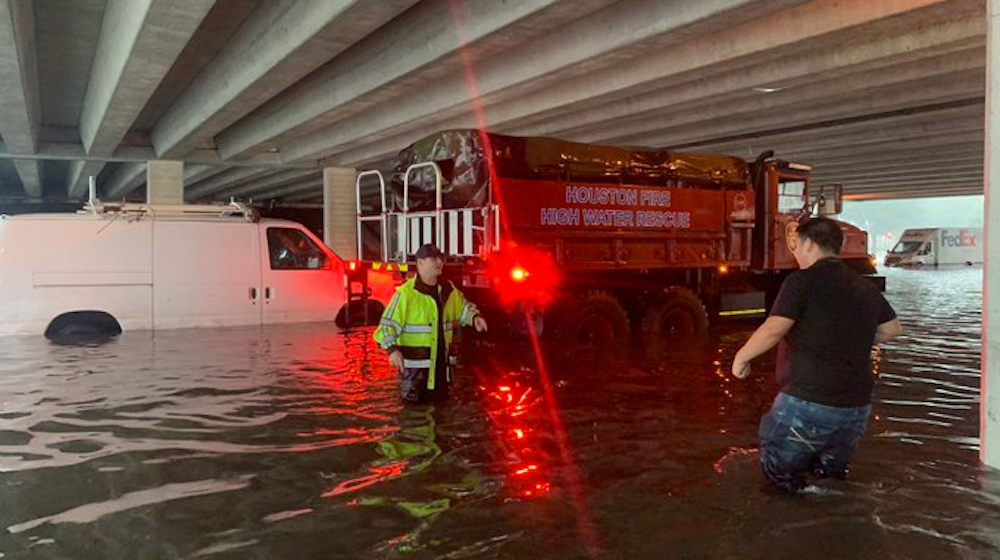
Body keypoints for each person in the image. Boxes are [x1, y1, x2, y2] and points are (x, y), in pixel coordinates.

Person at [731, 217, 902, 492]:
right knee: (830, 483)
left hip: (807, 402)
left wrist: (741, 358)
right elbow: (892, 329)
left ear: (809, 243)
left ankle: (786, 529)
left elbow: (775, 328)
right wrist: (846, 337)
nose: (795, 252)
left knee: (780, 481)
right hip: (855, 408)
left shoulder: (802, 281)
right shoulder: (863, 286)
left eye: (796, 244)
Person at [373, 244, 488, 403]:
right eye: (433, 259)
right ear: (420, 263)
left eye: (440, 258)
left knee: (441, 417)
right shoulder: (406, 295)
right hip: (415, 378)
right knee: (416, 421)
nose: (439, 262)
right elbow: (385, 328)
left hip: (441, 373)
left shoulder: (447, 290)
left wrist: (474, 318)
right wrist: (392, 350)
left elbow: (462, 309)